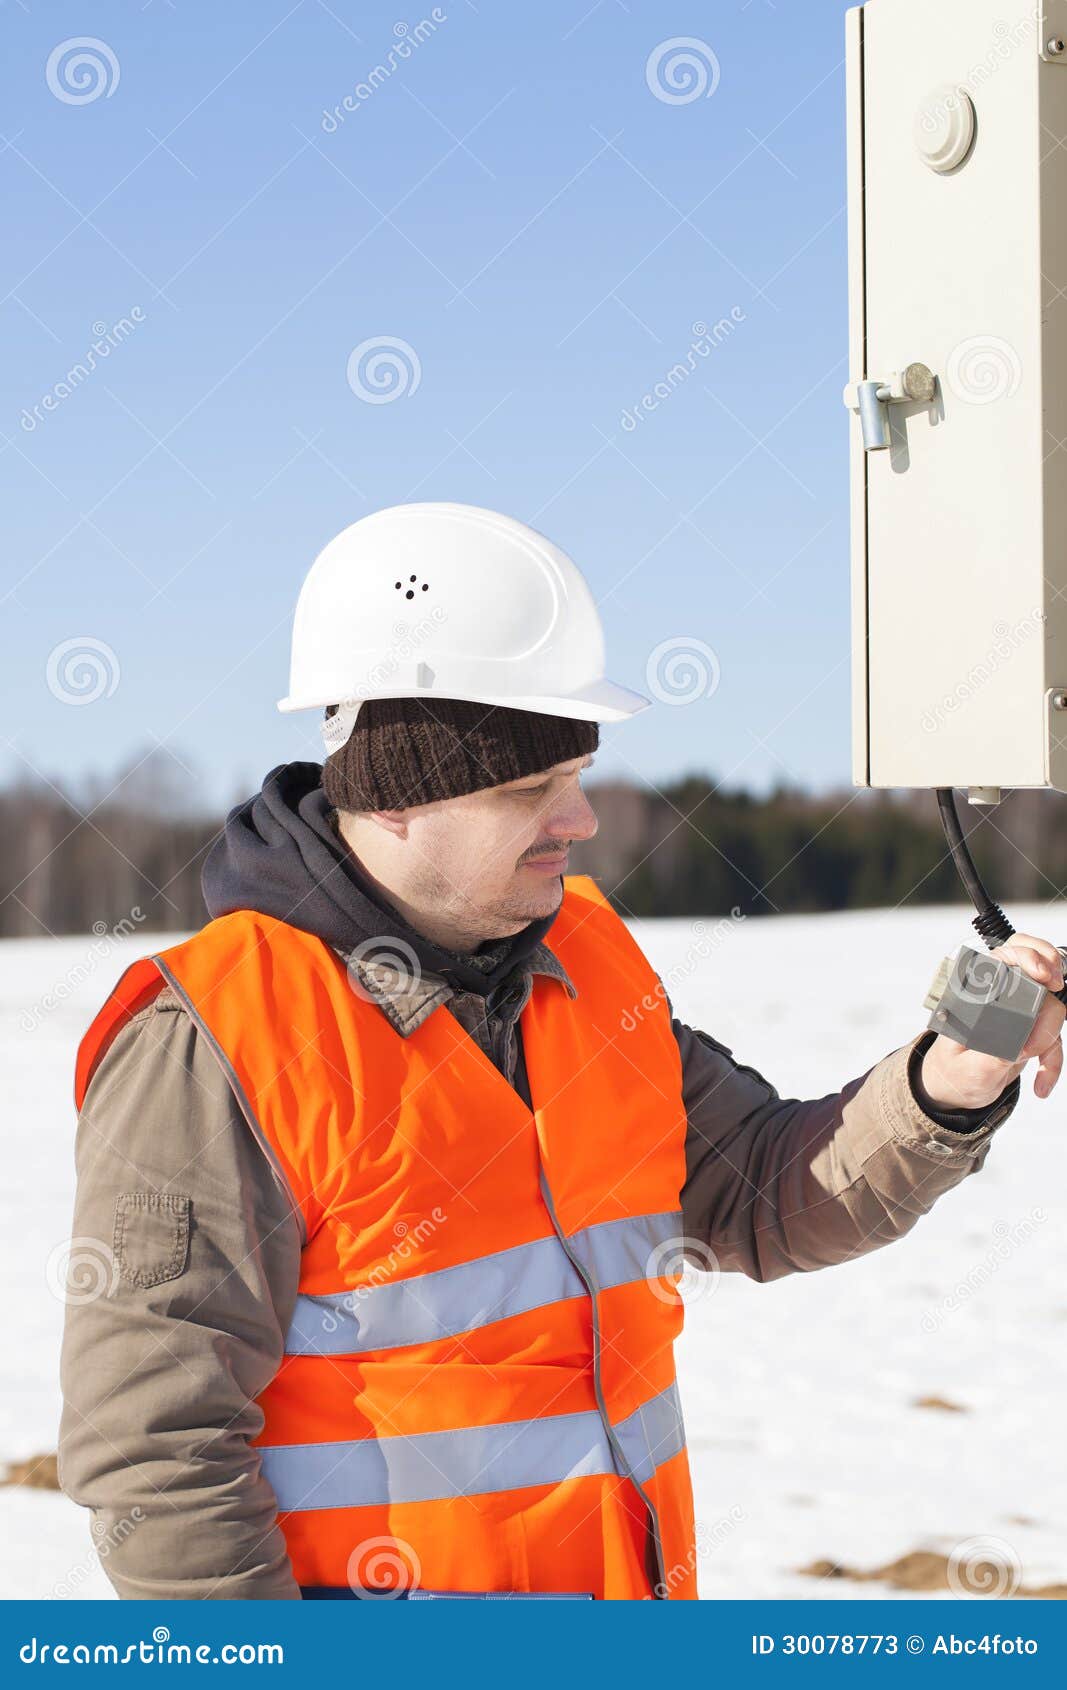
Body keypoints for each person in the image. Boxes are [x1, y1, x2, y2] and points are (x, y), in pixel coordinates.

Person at [58, 503, 1064, 1601]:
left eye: (576, 773)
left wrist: (942, 1084)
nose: (578, 819)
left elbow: (761, 1194)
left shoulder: (584, 966)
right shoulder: (214, 1038)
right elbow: (158, 1449)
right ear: (396, 797)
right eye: (527, 789)